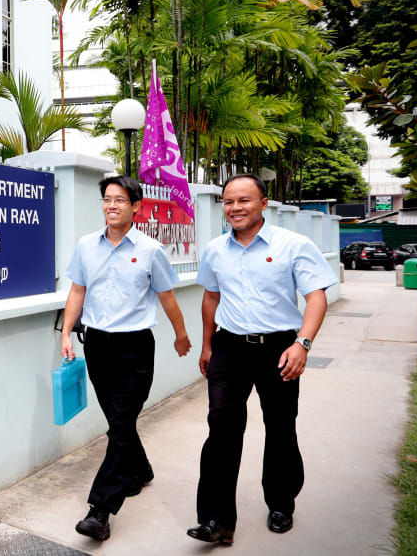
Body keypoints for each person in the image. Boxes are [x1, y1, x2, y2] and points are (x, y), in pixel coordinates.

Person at [186, 174, 337, 545]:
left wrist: (302, 344)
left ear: (264, 203)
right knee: (221, 431)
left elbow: (316, 297)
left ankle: (282, 501)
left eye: (244, 201)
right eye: (228, 202)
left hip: (280, 348)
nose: (235, 208)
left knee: (281, 426)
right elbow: (210, 298)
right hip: (229, 348)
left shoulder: (293, 245)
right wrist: (207, 346)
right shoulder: (215, 250)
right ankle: (215, 520)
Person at [61, 175, 192, 541]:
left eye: (120, 200)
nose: (112, 205)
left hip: (135, 348)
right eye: (107, 199)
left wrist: (181, 335)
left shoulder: (151, 250)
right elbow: (76, 290)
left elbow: (167, 297)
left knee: (120, 424)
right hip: (97, 346)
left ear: (136, 207)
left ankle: (100, 510)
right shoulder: (87, 246)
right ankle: (142, 469)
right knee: (120, 422)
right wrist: (66, 333)